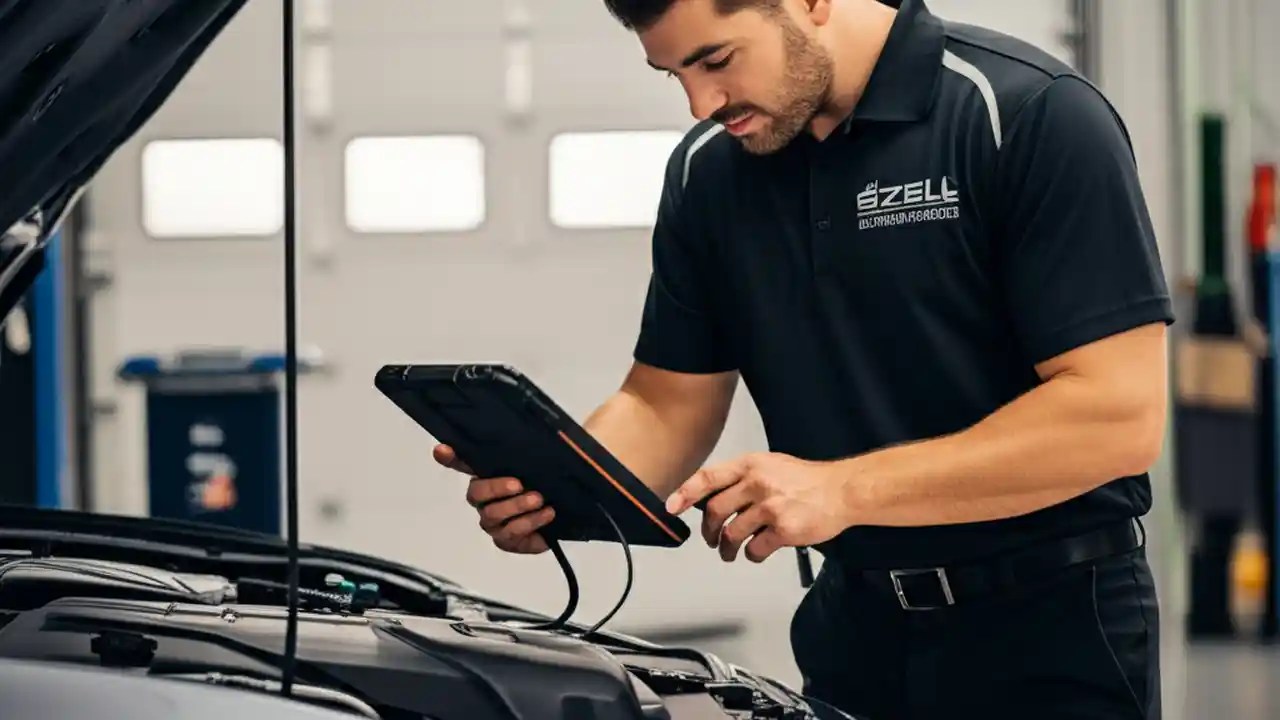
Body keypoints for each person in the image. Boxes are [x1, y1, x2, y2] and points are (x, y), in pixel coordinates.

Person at [434, 0, 1172, 717]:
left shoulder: (1029, 115)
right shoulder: (708, 172)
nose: (700, 104)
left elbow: (1116, 419)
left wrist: (845, 491)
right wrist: (563, 480)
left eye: (716, 60)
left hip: (1050, 636)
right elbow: (666, 403)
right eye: (673, 75)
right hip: (854, 634)